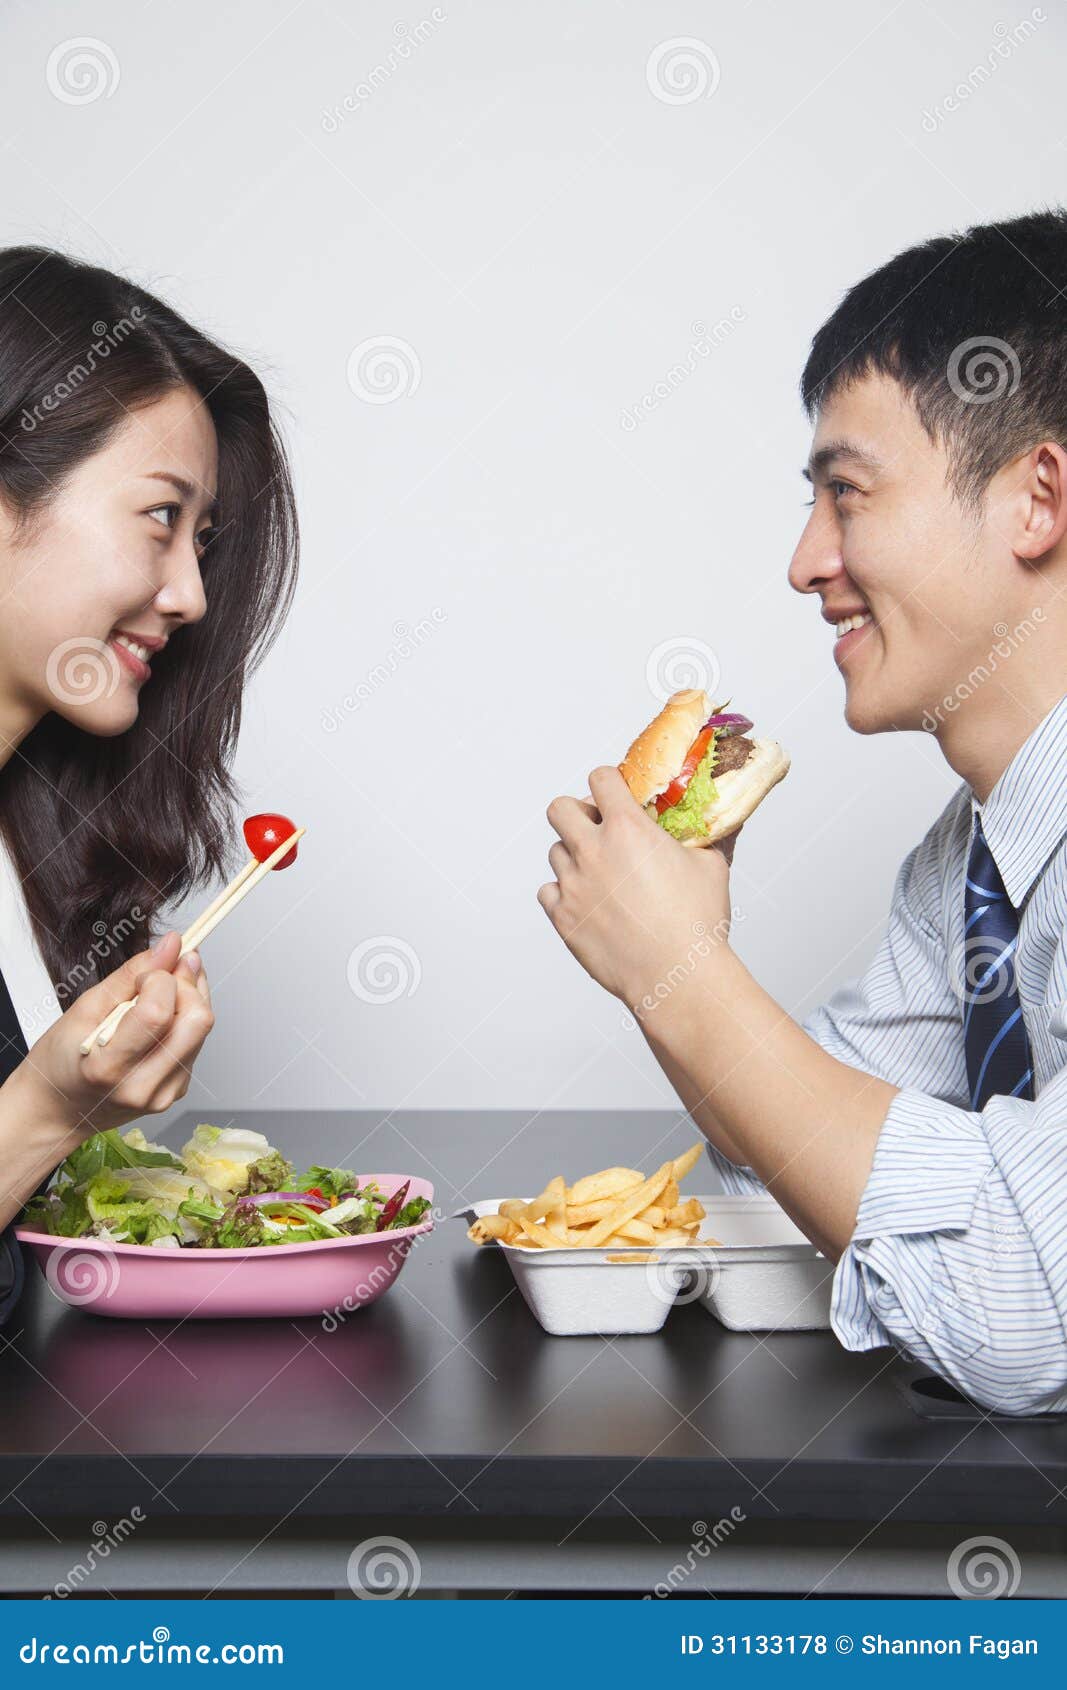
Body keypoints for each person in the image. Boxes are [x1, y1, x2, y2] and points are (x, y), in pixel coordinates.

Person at [539, 207, 1067, 1416]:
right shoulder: (969, 859)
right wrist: (683, 954)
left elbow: (1029, 1307)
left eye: (846, 493)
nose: (803, 562)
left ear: (1034, 499)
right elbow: (798, 1158)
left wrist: (679, 973)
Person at [0, 247, 298, 1323]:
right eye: (161, 517)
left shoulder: (39, 842)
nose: (190, 595)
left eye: (204, 540)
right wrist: (47, 1108)